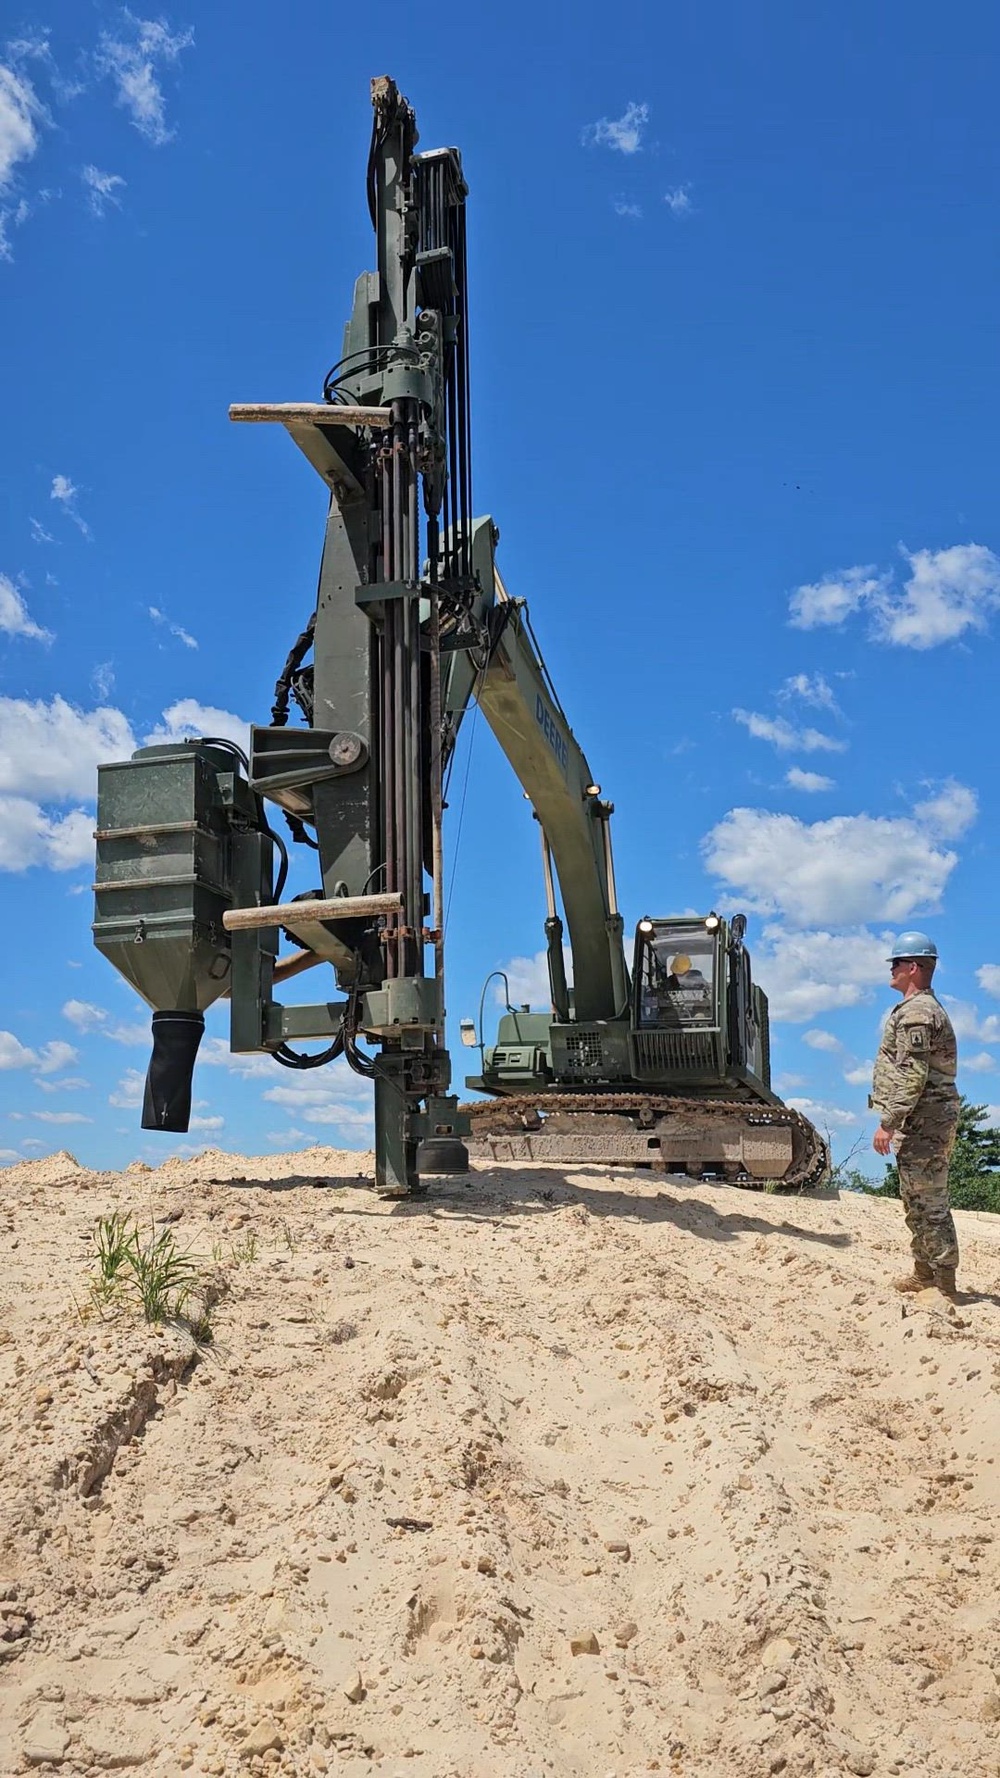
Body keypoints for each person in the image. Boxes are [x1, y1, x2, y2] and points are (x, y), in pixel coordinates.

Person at [870, 933, 960, 1300]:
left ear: (913, 967)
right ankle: (924, 1273)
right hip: (921, 1121)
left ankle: (945, 1281)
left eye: (896, 963)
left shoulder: (919, 1013)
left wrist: (887, 1122)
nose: (890, 969)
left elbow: (912, 1073)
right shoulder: (914, 1009)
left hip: (926, 1121)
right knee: (915, 1199)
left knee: (930, 1200)